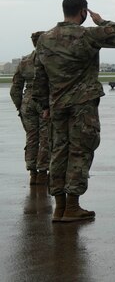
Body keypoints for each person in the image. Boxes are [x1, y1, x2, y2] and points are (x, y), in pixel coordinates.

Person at [33, 0, 115, 222]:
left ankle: (59, 207)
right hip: (82, 105)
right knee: (80, 151)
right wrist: (102, 22)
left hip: (57, 105)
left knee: (58, 152)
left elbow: (39, 78)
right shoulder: (87, 34)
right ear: (83, 12)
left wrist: (44, 105)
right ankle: (73, 206)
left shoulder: (45, 39)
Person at [10, 31, 50, 186]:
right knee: (45, 139)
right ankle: (42, 172)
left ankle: (32, 173)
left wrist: (20, 107)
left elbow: (15, 89)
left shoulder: (25, 62)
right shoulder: (48, 61)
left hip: (28, 102)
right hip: (44, 101)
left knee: (32, 138)